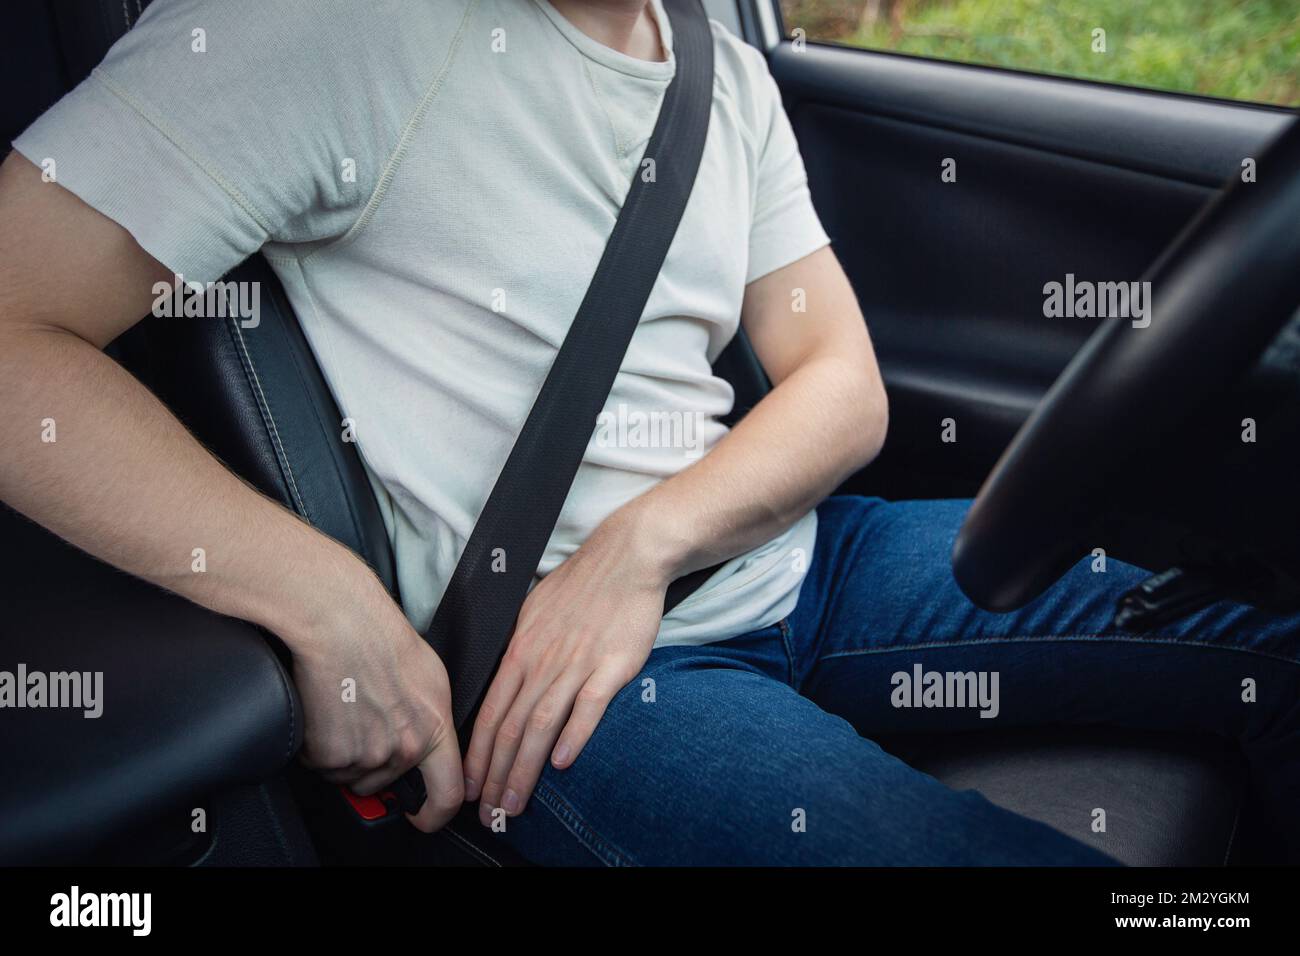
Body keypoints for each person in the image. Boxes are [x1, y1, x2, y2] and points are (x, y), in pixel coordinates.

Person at [1, 0, 1296, 865]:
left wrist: (639, 544)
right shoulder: (324, 29)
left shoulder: (718, 71)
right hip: (582, 693)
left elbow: (841, 382)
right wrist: (325, 601)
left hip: (802, 563)